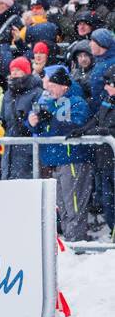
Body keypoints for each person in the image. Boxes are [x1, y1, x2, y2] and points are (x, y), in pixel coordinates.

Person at [30, 65, 93, 241]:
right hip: (54, 159)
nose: (49, 88)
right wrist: (33, 121)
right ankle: (69, 237)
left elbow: (76, 126)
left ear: (64, 86)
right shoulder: (48, 102)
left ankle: (76, 240)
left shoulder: (77, 102)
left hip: (72, 159)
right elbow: (42, 128)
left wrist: (51, 120)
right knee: (62, 205)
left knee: (74, 202)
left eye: (53, 85)